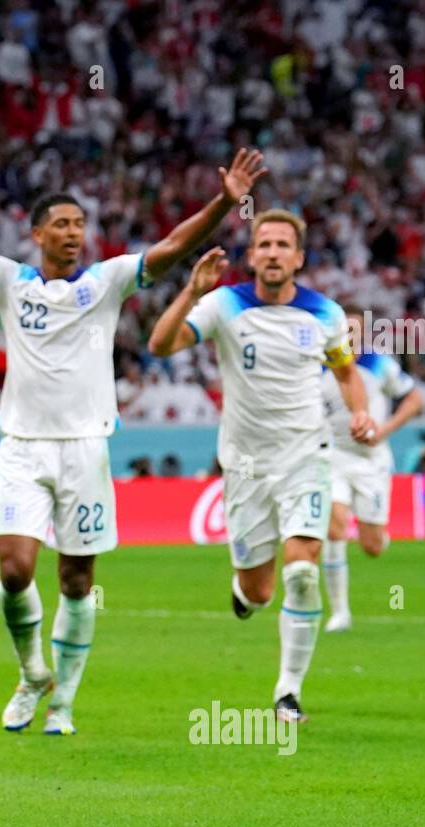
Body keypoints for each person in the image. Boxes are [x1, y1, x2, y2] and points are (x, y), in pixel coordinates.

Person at [0, 133, 267, 736]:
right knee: (14, 570)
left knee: (77, 581)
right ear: (37, 233)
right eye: (62, 224)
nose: (74, 232)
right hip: (21, 444)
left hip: (87, 448)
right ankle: (32, 671)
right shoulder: (12, 281)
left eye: (79, 224)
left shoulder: (110, 280)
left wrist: (224, 203)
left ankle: (62, 702)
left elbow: (172, 246)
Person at [146, 212, 377, 723]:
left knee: (301, 570)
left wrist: (359, 410)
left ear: (298, 257)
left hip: (305, 456)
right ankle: (243, 592)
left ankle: (287, 692)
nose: (273, 252)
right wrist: (188, 292)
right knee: (261, 590)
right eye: (264, 244)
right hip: (246, 466)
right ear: (251, 256)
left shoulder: (326, 314)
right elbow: (160, 345)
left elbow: (346, 373)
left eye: (283, 245)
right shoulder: (223, 303)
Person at [320, 304, 425, 632]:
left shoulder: (379, 364)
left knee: (372, 547)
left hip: (372, 461)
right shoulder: (317, 367)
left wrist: (384, 431)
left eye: (355, 330)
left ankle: (378, 534)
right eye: (344, 330)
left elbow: (415, 399)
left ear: (363, 333)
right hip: (333, 457)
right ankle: (340, 612)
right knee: (334, 528)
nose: (349, 336)